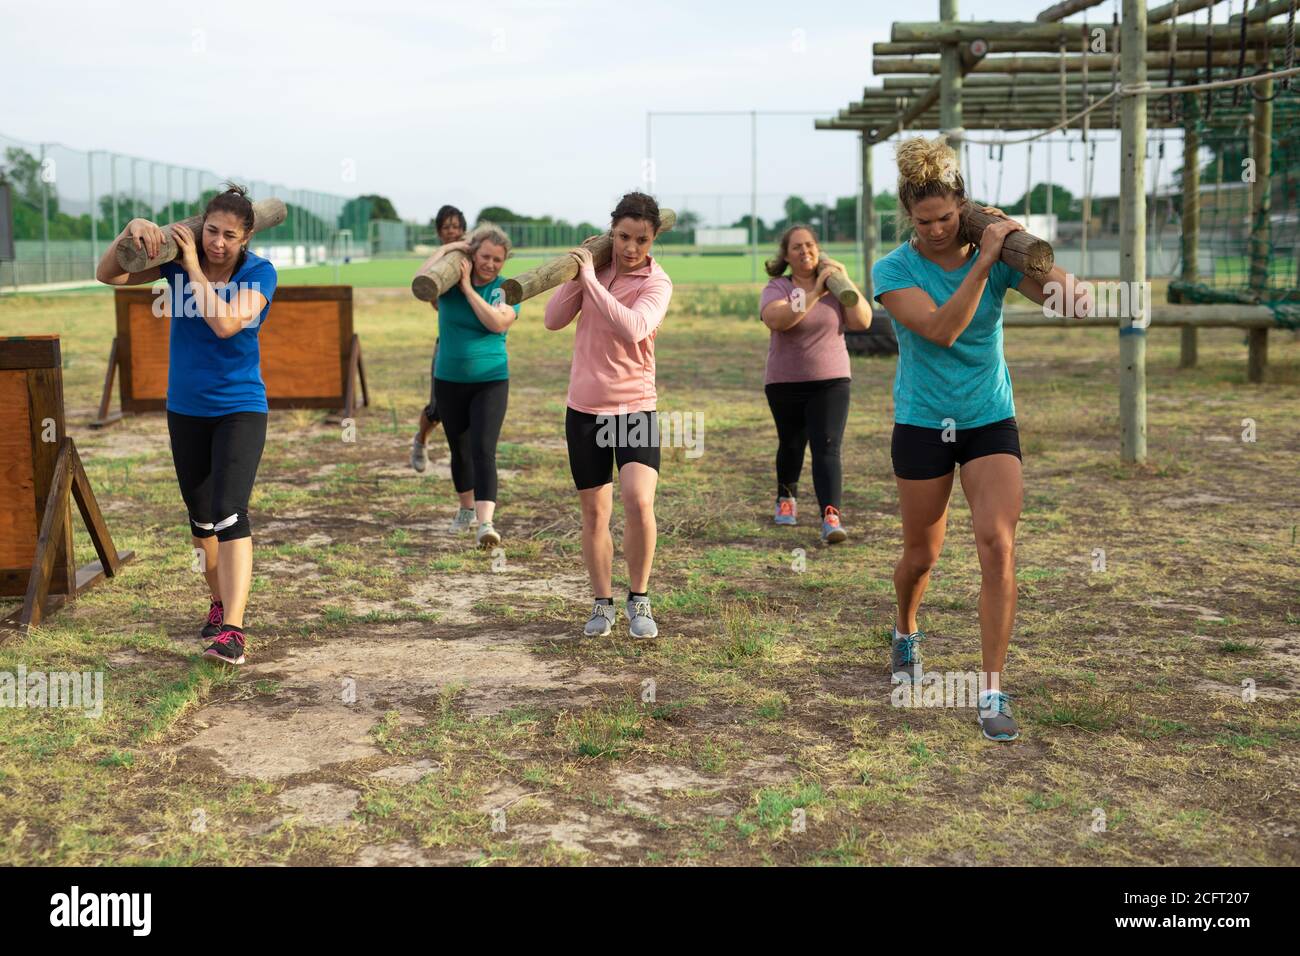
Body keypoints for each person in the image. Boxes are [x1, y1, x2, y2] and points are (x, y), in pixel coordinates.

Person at [872, 135, 1091, 741]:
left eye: (947, 217)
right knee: (922, 556)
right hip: (922, 422)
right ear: (907, 218)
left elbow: (1077, 304)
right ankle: (906, 630)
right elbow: (942, 330)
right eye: (925, 221)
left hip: (988, 417)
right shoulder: (892, 269)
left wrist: (1021, 250)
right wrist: (984, 262)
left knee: (997, 545)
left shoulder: (992, 253)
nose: (938, 229)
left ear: (963, 209)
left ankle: (991, 688)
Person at [95, 183, 279, 666]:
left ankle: (234, 631)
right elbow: (107, 275)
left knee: (230, 511)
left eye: (230, 236)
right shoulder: (173, 265)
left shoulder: (259, 273)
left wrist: (194, 266)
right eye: (211, 231)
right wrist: (131, 230)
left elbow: (224, 324)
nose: (218, 242)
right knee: (201, 521)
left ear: (247, 238)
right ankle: (218, 605)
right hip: (186, 409)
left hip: (240, 407)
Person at [544, 192, 672, 639]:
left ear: (653, 238)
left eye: (640, 239)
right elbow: (552, 319)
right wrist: (579, 276)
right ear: (611, 233)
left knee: (639, 502)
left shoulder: (658, 283)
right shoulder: (594, 272)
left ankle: (640, 599)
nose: (630, 247)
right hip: (584, 409)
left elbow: (634, 327)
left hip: (634, 406)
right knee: (595, 513)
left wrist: (592, 283)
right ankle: (602, 604)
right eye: (622, 237)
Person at [759, 224, 872, 543]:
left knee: (827, 446)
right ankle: (786, 498)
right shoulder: (778, 288)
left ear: (818, 250)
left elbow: (862, 321)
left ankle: (831, 516)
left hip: (832, 380)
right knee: (792, 444)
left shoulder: (835, 287)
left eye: (810, 245)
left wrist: (844, 282)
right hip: (785, 382)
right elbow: (779, 319)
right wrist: (815, 293)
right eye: (797, 247)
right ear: (786, 255)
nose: (805, 251)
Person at [423, 224, 520, 546]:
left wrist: (468, 288)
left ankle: (485, 523)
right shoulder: (446, 282)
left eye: (497, 259)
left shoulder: (505, 288)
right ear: (472, 254)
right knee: (459, 449)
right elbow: (421, 281)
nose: (490, 264)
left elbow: (496, 322)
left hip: (491, 381)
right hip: (449, 380)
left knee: (483, 449)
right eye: (484, 256)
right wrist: (449, 250)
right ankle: (465, 508)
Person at [411, 204, 468, 473]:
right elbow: (423, 287)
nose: (452, 231)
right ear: (439, 233)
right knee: (437, 409)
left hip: (474, 345)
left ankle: (468, 460)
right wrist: (445, 253)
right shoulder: (438, 269)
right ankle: (420, 441)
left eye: (456, 226)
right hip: (446, 344)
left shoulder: (472, 255)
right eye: (446, 227)